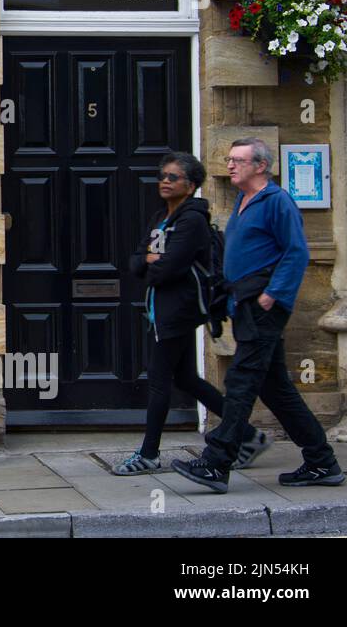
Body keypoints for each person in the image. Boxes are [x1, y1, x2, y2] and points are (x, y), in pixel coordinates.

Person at [172, 137, 344, 492]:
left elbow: (296, 252)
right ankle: (321, 462)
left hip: (263, 306)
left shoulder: (276, 201)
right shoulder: (243, 201)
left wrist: (273, 295)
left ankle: (217, 463)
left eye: (238, 160)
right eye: (230, 159)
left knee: (241, 381)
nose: (230, 165)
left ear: (260, 166)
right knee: (276, 388)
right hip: (245, 304)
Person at [112, 153, 269, 475]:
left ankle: (149, 454)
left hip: (179, 310)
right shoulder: (162, 218)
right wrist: (149, 261)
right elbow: (135, 260)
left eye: (173, 177)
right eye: (162, 176)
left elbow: (167, 269)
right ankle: (249, 435)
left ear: (191, 184)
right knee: (185, 378)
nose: (164, 182)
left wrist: (152, 262)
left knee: (159, 381)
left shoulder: (192, 220)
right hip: (163, 308)